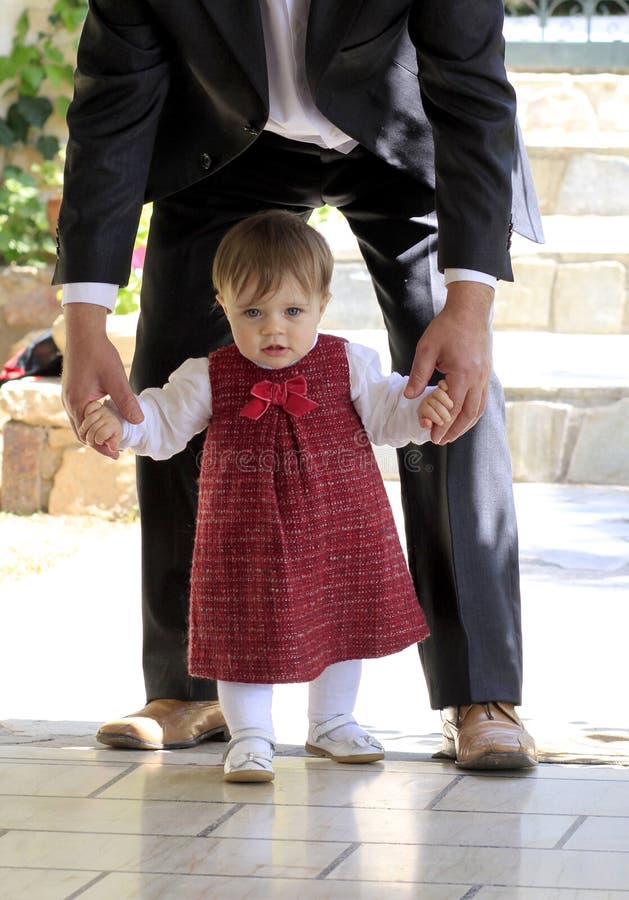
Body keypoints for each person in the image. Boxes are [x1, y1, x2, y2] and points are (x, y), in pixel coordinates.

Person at [56, 1, 542, 769]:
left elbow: (473, 90)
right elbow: (111, 110)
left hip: (402, 138)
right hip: (231, 146)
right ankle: (190, 686)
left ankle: (479, 690)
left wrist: (469, 305)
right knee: (171, 366)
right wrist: (82, 319)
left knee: (449, 387)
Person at [79, 210, 453, 782]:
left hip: (338, 524)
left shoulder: (347, 362)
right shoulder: (209, 374)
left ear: (322, 304)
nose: (272, 329)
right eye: (252, 312)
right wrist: (122, 427)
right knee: (240, 627)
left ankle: (331, 722)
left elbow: (386, 411)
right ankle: (251, 736)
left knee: (340, 621)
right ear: (223, 304)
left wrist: (419, 410)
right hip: (243, 533)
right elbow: (160, 421)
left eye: (292, 311)